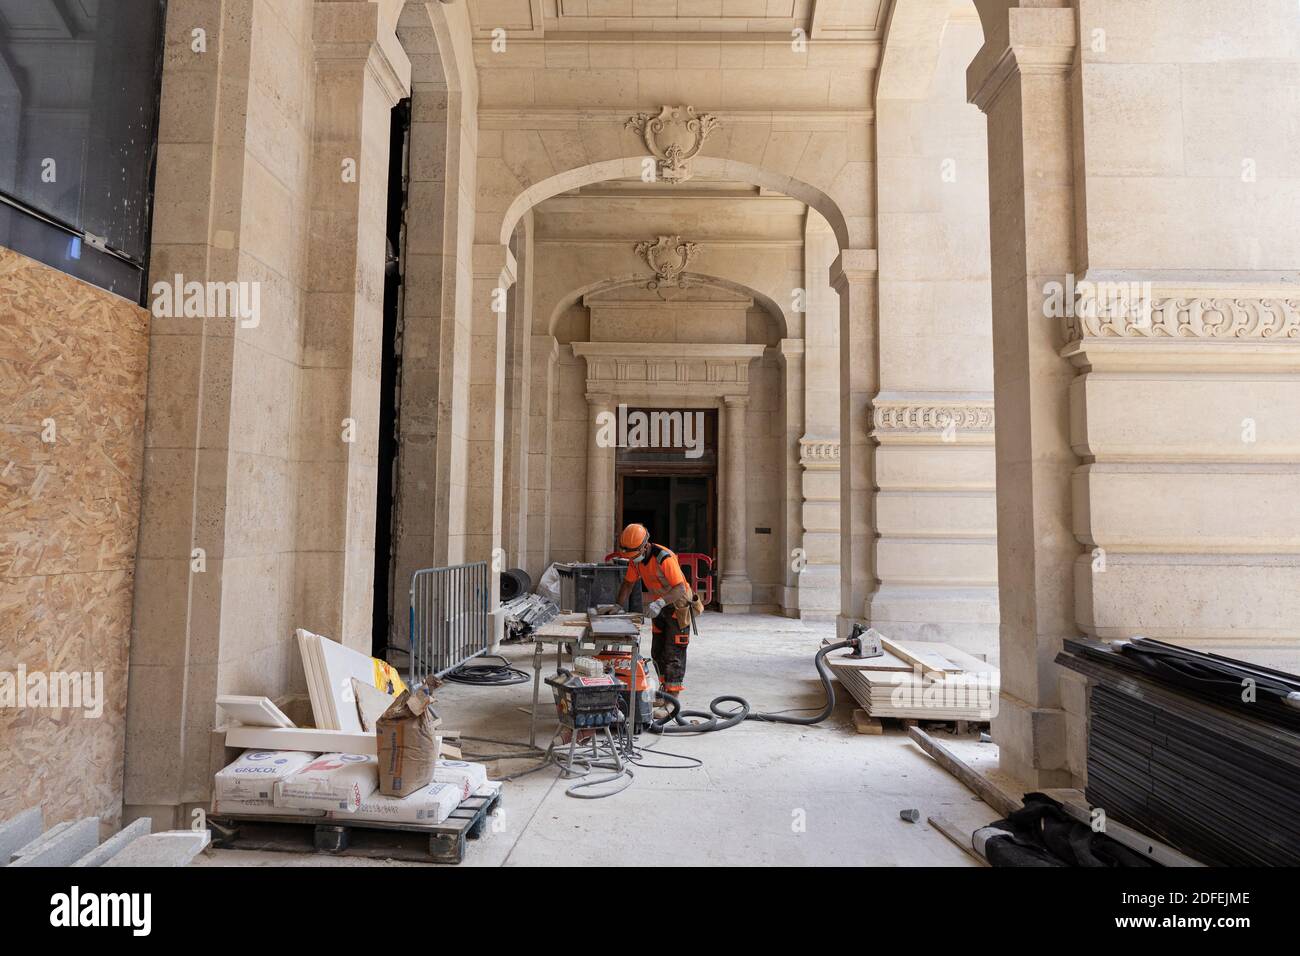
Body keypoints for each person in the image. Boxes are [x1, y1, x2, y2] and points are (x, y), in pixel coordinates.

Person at [613, 522, 694, 704]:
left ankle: (672, 699)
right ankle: (664, 692)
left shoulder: (664, 559)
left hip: (677, 606)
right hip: (661, 606)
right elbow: (628, 584)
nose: (633, 560)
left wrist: (659, 603)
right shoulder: (636, 559)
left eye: (635, 556)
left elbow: (680, 588)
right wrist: (617, 606)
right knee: (657, 651)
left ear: (645, 545)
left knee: (674, 652)